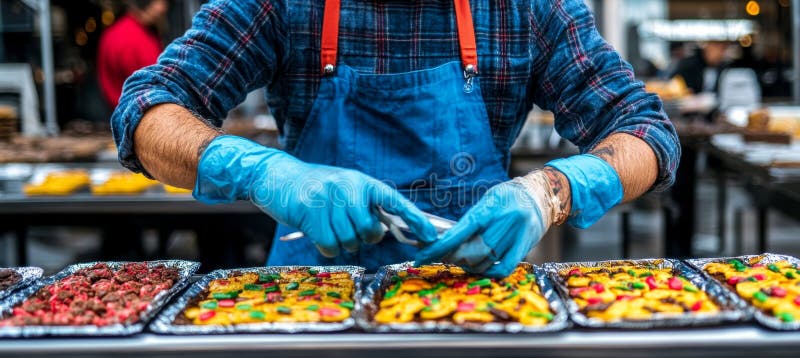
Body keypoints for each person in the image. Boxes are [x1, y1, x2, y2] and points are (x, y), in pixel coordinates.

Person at [111, 0, 680, 277]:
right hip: (314, 303)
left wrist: (552, 190)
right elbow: (146, 111)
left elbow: (648, 133)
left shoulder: (527, 9)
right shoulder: (280, 4)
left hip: (475, 306)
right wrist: (265, 173)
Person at [97, 0, 169, 107]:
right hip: (140, 115)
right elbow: (154, 88)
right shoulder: (132, 40)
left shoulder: (118, 32)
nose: (163, 7)